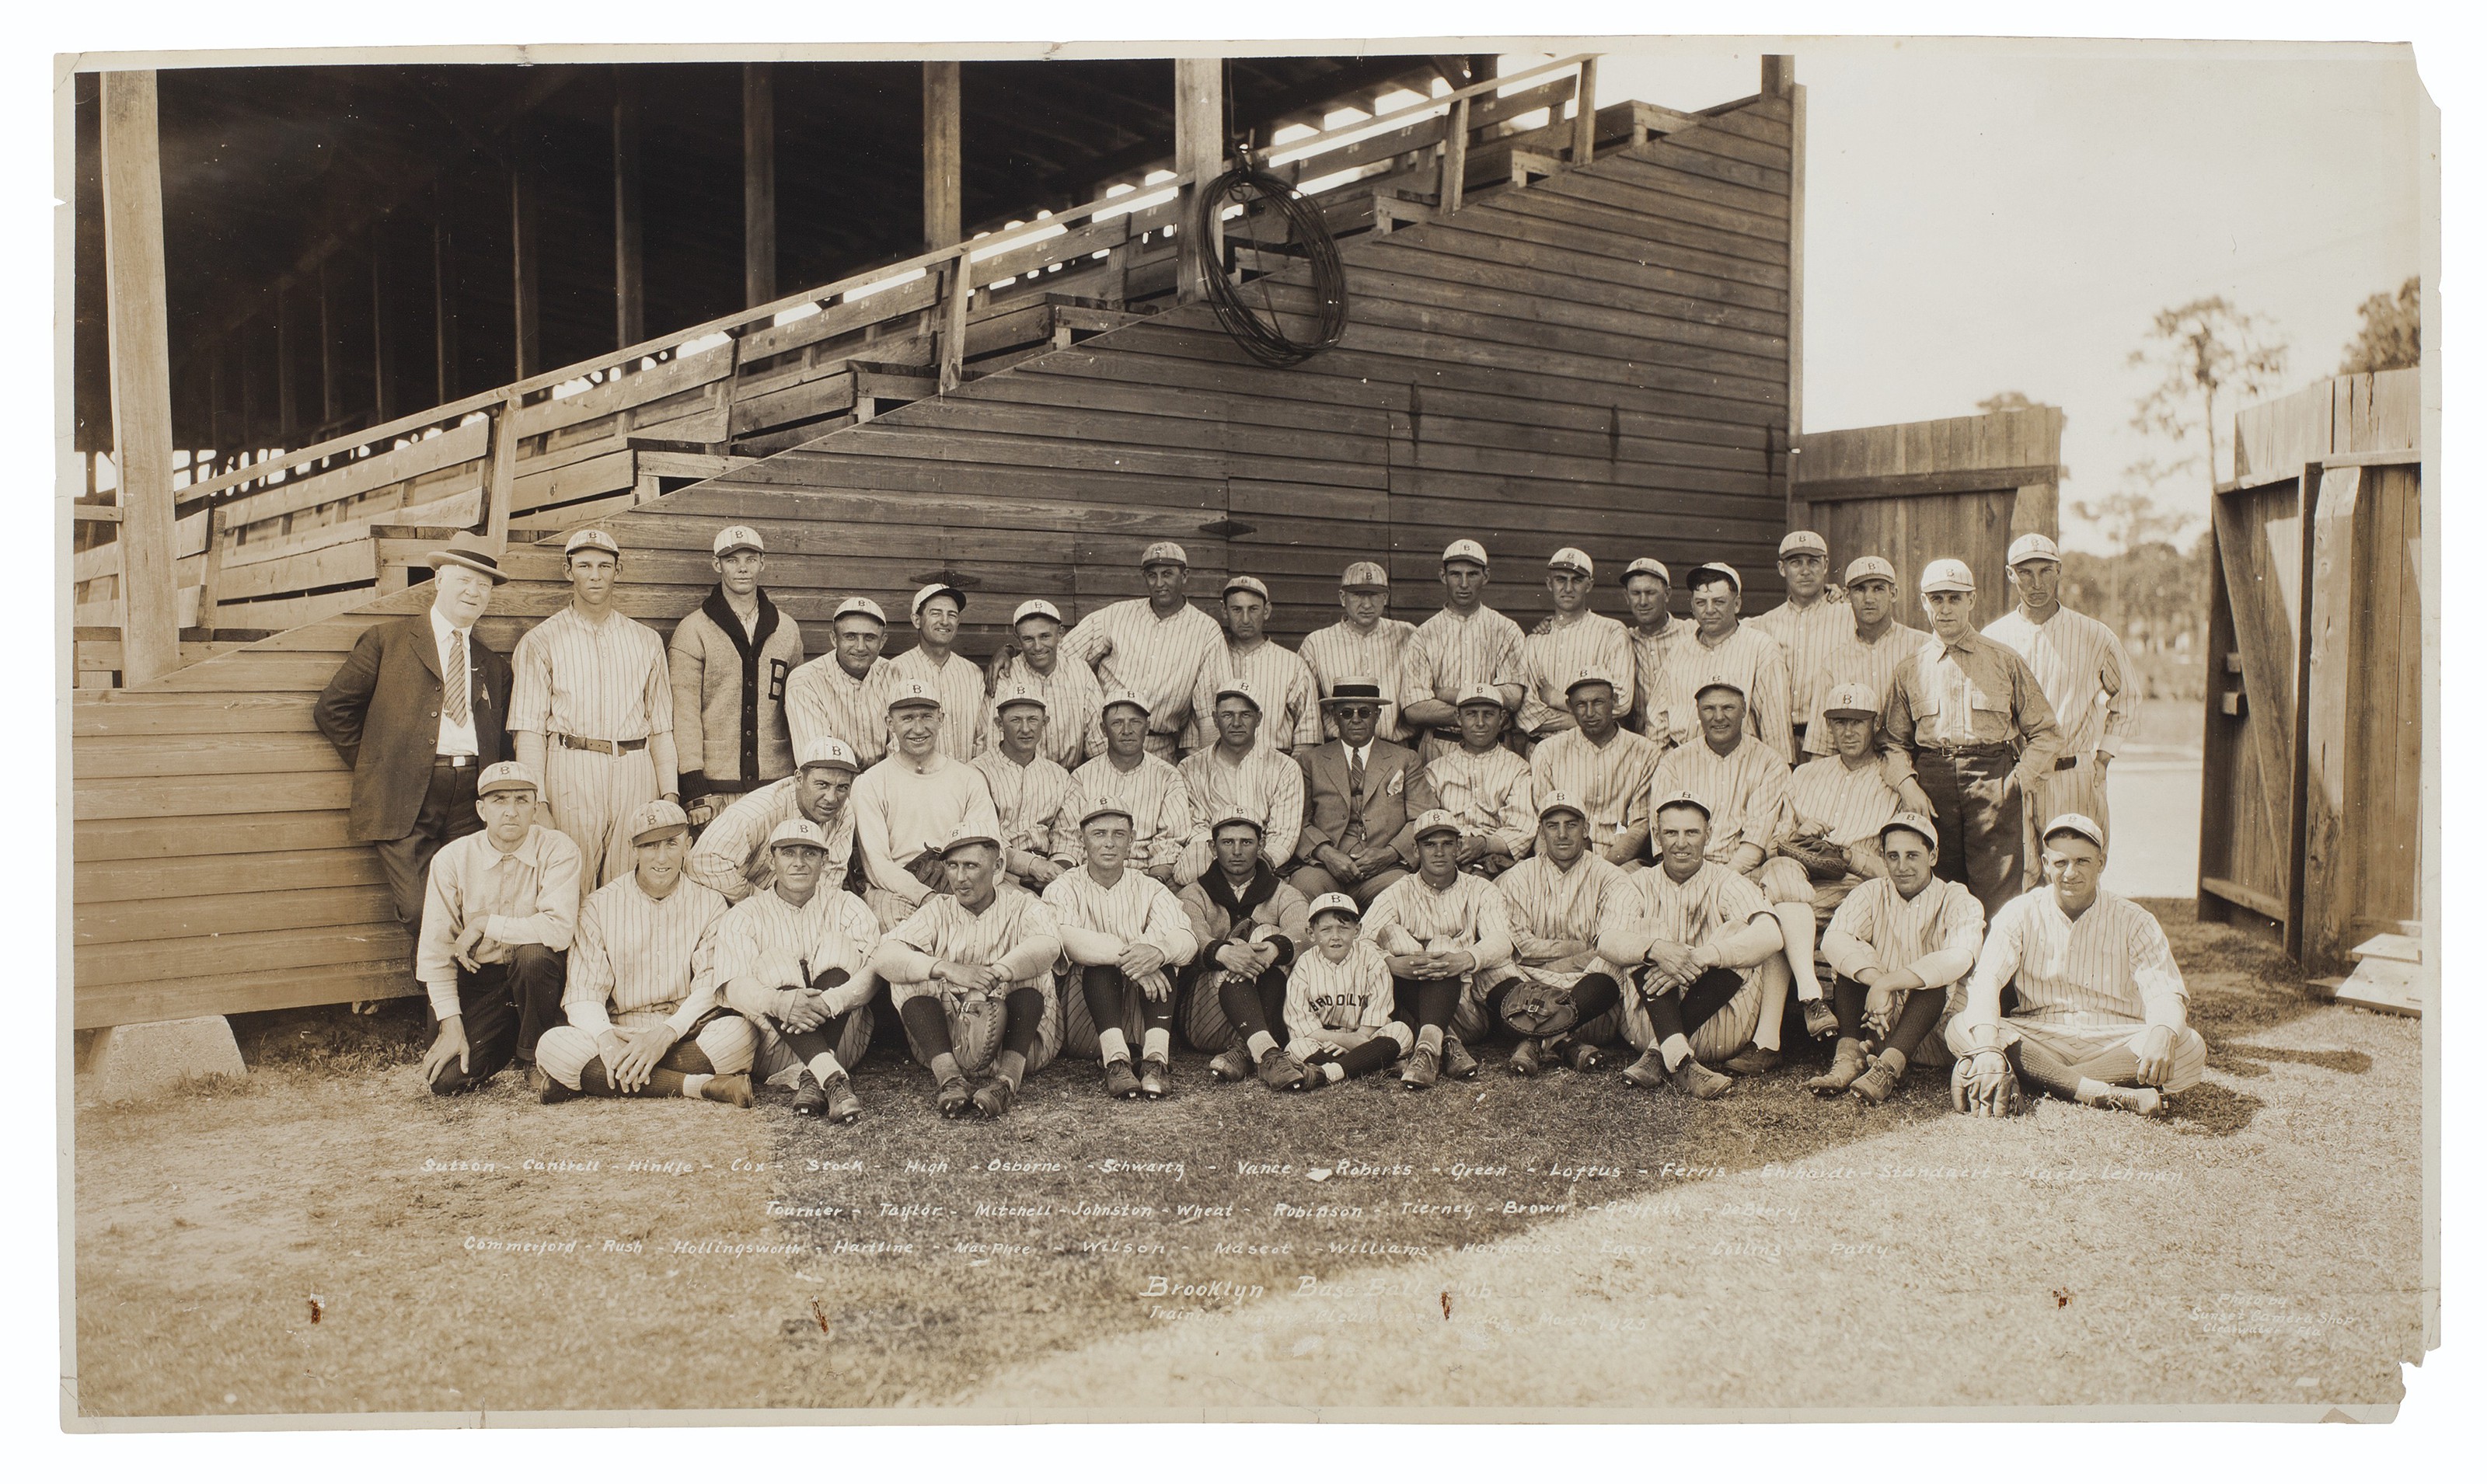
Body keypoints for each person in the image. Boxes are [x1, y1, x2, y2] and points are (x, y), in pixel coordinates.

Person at [1947, 813, 2205, 1118]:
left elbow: (2166, 991)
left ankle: (2039, 1079)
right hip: (2042, 1035)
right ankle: (2100, 1093)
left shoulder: (2135, 919)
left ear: (2102, 863)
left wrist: (2163, 1033)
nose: (2070, 872)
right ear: (2045, 865)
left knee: (2188, 1046)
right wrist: (1990, 1047)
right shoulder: (2021, 911)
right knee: (1961, 1026)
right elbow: (1988, 978)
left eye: (2082, 861)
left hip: (2113, 1038)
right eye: (2060, 863)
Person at [312, 541, 514, 929]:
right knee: (422, 910)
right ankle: (440, 992)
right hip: (405, 797)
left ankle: (454, 994)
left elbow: (501, 739)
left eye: (484, 586)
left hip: (473, 799)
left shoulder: (492, 663)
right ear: (439, 580)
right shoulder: (387, 641)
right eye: (465, 580)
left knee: (473, 909)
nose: (474, 592)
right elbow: (332, 711)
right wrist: (381, 767)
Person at [1650, 677, 1832, 1070]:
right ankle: (1772, 1037)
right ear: (1696, 714)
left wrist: (1720, 882)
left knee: (1784, 883)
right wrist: (1703, 878)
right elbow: (1663, 836)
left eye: (1728, 708)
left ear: (1745, 713)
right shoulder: (1675, 761)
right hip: (1686, 865)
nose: (1719, 717)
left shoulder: (1767, 760)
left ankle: (1803, 1004)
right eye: (1709, 709)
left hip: (1745, 865)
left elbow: (1756, 841)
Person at [1880, 557, 2066, 921]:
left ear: (1972, 600)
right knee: (1937, 892)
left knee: (1998, 895)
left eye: (1955, 598)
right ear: (1923, 602)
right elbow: (1892, 742)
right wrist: (1908, 786)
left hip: (1991, 779)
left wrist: (2017, 782)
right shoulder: (1909, 669)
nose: (1945, 609)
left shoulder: (2004, 661)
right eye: (1937, 599)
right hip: (1931, 785)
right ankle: (1942, 977)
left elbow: (2046, 732)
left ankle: (1996, 978)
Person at [535, 799, 753, 1108]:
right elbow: (584, 993)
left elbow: (709, 988)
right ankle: (701, 1086)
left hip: (682, 1031)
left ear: (688, 845)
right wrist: (606, 1039)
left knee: (739, 1035)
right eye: (650, 846)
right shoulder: (599, 905)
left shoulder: (711, 903)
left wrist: (665, 1035)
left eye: (671, 843)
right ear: (633, 848)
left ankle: (593, 1081)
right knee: (552, 1046)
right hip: (619, 1031)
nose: (661, 857)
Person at [510, 528, 680, 887]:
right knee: (571, 879)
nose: (595, 575)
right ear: (567, 570)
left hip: (635, 768)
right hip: (571, 766)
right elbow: (529, 730)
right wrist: (537, 799)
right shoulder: (540, 640)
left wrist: (669, 794)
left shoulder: (646, 641)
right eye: (584, 565)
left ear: (618, 571)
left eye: (605, 565)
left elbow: (662, 728)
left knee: (628, 883)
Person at [1595, 790, 1790, 1099]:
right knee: (1645, 933)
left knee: (1740, 931)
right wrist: (1658, 950)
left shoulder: (1728, 881)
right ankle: (1679, 1057)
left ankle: (1663, 1053)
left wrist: (1701, 958)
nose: (1681, 843)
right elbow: (1605, 939)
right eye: (1671, 832)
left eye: (1692, 832)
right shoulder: (1636, 883)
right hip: (1647, 1024)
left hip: (1720, 1027)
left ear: (1709, 835)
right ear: (1656, 836)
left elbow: (1771, 935)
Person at [413, 761, 581, 1096]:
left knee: (533, 956)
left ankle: (535, 1056)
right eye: (499, 800)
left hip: (538, 977)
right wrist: (451, 1026)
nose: (511, 812)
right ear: (481, 809)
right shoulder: (452, 859)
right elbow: (436, 951)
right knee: (447, 1080)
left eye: (521, 800)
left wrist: (486, 924)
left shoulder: (559, 849)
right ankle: (512, 1040)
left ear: (536, 807)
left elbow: (559, 929)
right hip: (482, 980)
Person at [873, 834, 1066, 1118]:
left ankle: (1006, 1084)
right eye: (953, 866)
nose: (960, 878)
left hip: (1019, 1047)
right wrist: (947, 968)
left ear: (998, 866)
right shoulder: (937, 909)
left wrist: (997, 973)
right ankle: (950, 1080)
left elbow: (1048, 946)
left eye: (971, 866)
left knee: (1031, 971)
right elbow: (884, 956)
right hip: (948, 1045)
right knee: (909, 971)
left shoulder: (1023, 906)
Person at [1806, 812, 1986, 1104]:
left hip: (1936, 1029)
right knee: (1853, 955)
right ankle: (1848, 1058)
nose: (1902, 867)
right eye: (1893, 856)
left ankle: (1888, 1069)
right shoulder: (1872, 891)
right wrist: (1878, 982)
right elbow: (1834, 940)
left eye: (1912, 855)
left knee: (1934, 973)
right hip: (1879, 1023)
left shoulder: (1958, 898)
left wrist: (1888, 984)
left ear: (1933, 855)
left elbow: (1960, 957)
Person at [714, 817, 885, 1120]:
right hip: (774, 1047)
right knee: (774, 962)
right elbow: (733, 986)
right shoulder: (745, 914)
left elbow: (873, 976)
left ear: (824, 860)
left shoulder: (847, 905)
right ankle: (831, 1079)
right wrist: (779, 1002)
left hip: (845, 1039)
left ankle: (814, 1073)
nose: (799, 862)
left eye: (809, 853)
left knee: (838, 945)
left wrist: (830, 1001)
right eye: (788, 852)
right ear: (771, 859)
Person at [1983, 533, 2133, 866]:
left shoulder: (2093, 634)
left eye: (2045, 571)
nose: (2036, 583)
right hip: (2015, 775)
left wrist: (2104, 757)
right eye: (2025, 572)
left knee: (2073, 876)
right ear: (2010, 574)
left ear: (2059, 570)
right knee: (2018, 876)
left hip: (2071, 773)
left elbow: (2128, 697)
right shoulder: (1993, 638)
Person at [1045, 804, 1200, 1099]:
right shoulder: (1062, 887)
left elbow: (1187, 939)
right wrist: (1135, 960)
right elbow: (1068, 939)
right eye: (1099, 834)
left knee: (1161, 956)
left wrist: (1159, 952)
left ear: (1132, 840)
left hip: (1147, 1017)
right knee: (1101, 963)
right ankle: (1115, 1061)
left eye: (1119, 834)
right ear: (1082, 840)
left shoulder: (1149, 887)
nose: (1109, 843)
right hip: (1088, 1022)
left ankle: (1156, 1062)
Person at [1482, 791, 1633, 1075]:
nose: (1562, 834)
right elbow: (1517, 944)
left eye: (1571, 824)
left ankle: (1532, 1040)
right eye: (1553, 826)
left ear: (1586, 829)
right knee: (1492, 968)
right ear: (1541, 831)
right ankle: (1566, 1044)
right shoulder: (1518, 876)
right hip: (1529, 987)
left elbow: (1610, 944)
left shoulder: (1611, 876)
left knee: (1613, 966)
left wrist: (1553, 959)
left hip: (1586, 997)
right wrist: (1576, 949)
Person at [1364, 810, 1513, 1089]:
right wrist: (1392, 963)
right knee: (1392, 936)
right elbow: (1360, 941)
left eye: (1447, 843)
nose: (1439, 852)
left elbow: (1503, 940)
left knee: (1442, 945)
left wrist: (1465, 959)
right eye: (1430, 844)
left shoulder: (1480, 889)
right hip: (1412, 1009)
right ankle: (1436, 1047)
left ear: (1459, 847)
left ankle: (1439, 1042)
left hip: (1467, 1011)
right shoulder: (1399, 890)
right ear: (1416, 850)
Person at [668, 524, 805, 828]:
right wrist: (694, 785)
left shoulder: (787, 629)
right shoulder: (693, 630)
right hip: (717, 789)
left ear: (762, 563)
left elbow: (798, 707)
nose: (742, 569)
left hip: (776, 784)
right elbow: (684, 713)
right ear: (717, 564)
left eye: (750, 559)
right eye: (732, 560)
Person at [849, 680, 1004, 928]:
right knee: (898, 930)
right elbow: (877, 864)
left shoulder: (968, 778)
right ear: (890, 723)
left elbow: (990, 846)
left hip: (962, 881)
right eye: (907, 718)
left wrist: (966, 888)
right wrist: (924, 895)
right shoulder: (871, 782)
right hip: (897, 888)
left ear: (940, 719)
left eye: (926, 717)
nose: (918, 728)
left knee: (1011, 919)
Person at [1178, 814, 1315, 1087]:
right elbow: (1192, 937)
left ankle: (1254, 1050)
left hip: (1270, 1010)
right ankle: (1261, 1049)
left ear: (1262, 845)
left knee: (1269, 936)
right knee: (1235, 949)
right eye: (1227, 842)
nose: (1237, 851)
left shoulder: (1283, 893)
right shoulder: (1193, 893)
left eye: (1246, 842)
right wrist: (1225, 953)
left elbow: (1305, 931)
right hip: (1208, 1018)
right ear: (1212, 848)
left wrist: (1272, 951)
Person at [1061, 541, 1226, 759]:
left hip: (1160, 747)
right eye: (1152, 575)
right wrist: (1010, 653)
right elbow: (1061, 658)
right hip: (1104, 746)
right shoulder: (1116, 615)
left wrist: (1208, 766)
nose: (1159, 583)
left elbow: (1209, 711)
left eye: (1167, 574)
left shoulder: (1206, 630)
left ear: (1184, 576)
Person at [1289, 678, 1435, 907]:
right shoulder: (1311, 761)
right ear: (1335, 716)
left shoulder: (1405, 759)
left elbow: (1423, 817)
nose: (1356, 719)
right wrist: (1327, 854)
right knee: (1303, 885)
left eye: (1364, 712)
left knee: (1402, 890)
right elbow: (1298, 821)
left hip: (1385, 870)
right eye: (1347, 713)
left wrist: (1390, 853)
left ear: (1377, 716)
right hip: (1327, 869)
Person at [1777, 681, 1904, 927]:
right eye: (1840, 722)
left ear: (1876, 724)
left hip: (1851, 882)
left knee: (1777, 916)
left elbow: (1897, 869)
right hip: (1795, 875)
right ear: (1828, 726)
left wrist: (1847, 857)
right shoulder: (1805, 774)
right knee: (1773, 893)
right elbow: (1773, 846)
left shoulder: (1893, 783)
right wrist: (1797, 836)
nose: (1848, 732)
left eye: (1857, 722)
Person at [684, 737, 860, 903]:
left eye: (842, 787)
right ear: (799, 779)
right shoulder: (759, 810)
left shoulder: (843, 814)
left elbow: (829, 882)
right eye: (822, 784)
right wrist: (758, 900)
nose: (831, 798)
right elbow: (701, 862)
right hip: (733, 904)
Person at [1398, 538, 1526, 762]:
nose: (1464, 583)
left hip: (1497, 749)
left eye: (1473, 574)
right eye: (1456, 574)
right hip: (1440, 746)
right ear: (1443, 576)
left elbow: (1513, 697)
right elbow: (1415, 709)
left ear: (1485, 576)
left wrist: (1445, 694)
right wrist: (1485, 714)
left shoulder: (1506, 629)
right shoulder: (1425, 634)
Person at [1652, 562, 1794, 762]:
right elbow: (1657, 720)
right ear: (1692, 606)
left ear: (1737, 604)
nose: (1709, 610)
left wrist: (1780, 771)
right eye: (1701, 602)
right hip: (1686, 763)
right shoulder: (1678, 651)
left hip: (1743, 765)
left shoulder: (1761, 648)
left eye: (1719, 602)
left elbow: (1775, 725)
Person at [1065, 689, 1202, 884]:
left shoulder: (1168, 776)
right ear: (1104, 730)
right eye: (1117, 723)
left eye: (1135, 722)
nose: (1127, 730)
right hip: (1092, 875)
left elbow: (1170, 841)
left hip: (1148, 874)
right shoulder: (1081, 777)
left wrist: (1154, 880)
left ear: (1147, 727)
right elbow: (1072, 838)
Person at [1526, 673, 1662, 868]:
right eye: (1581, 704)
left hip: (1621, 861)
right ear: (1569, 706)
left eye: (1598, 702)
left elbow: (1638, 826)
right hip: (1563, 860)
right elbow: (1544, 822)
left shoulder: (1645, 752)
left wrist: (1600, 871)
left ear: (1614, 701)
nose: (1590, 713)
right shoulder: (1548, 751)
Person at [1176, 681, 1305, 884]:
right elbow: (1193, 826)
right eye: (1227, 715)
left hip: (1265, 863)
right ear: (1215, 720)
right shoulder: (1190, 767)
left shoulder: (1284, 767)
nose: (1236, 723)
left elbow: (1284, 833)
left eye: (1245, 714)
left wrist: (1258, 862)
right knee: (1194, 865)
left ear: (1259, 719)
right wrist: (1225, 856)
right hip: (1210, 857)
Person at [1799, 556, 1931, 752]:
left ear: (1893, 593)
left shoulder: (1923, 647)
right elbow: (1821, 745)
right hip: (1856, 771)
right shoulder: (1834, 662)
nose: (1869, 599)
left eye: (1878, 588)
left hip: (1913, 765)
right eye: (1860, 589)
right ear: (1846, 595)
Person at [1280, 893, 1411, 1089]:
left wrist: (1355, 1042)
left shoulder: (1372, 960)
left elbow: (1378, 1015)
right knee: (1295, 1049)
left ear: (1357, 930)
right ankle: (1375, 1064)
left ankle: (1331, 1072)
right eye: (1325, 930)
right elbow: (1304, 1027)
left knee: (1401, 1031)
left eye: (1343, 928)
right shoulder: (1304, 966)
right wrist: (1350, 1042)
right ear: (1311, 934)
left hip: (1367, 1037)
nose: (1335, 937)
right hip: (1325, 1041)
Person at [1504, 547, 1634, 744]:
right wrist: (1586, 719)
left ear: (1589, 585)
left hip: (1594, 748)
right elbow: (1526, 716)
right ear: (1549, 584)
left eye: (1577, 580)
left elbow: (1621, 702)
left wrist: (1555, 699)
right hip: (1543, 749)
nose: (1568, 588)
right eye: (1561, 579)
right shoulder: (1534, 641)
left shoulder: (1612, 632)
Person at [1747, 531, 1849, 755]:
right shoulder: (1764, 624)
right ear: (1782, 568)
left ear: (1825, 565)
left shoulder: (1848, 617)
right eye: (1796, 563)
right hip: (1777, 742)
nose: (1805, 571)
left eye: (1813, 562)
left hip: (1829, 744)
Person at [971, 688, 1079, 890]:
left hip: (1050, 872)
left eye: (1033, 720)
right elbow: (983, 837)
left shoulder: (1058, 775)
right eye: (1015, 720)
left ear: (1044, 723)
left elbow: (1069, 833)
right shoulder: (977, 771)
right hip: (998, 871)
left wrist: (1058, 868)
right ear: (999, 724)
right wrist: (1031, 865)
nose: (1026, 729)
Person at [1299, 560, 1417, 744]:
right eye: (1357, 595)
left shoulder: (1407, 635)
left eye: (1374, 595)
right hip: (1338, 747)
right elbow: (1307, 706)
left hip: (1395, 748)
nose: (1367, 604)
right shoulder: (1317, 643)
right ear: (1342, 597)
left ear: (1386, 597)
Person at [1423, 686, 1536, 878]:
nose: (1480, 723)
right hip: (1446, 860)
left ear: (1502, 719)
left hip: (1497, 863)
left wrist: (1484, 844)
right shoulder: (1436, 770)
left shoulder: (1518, 768)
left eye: (1489, 714)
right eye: (1471, 714)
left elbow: (1522, 828)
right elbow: (1427, 824)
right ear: (1458, 718)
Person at [983, 599, 1101, 769]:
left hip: (1070, 777)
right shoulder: (1006, 675)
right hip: (1018, 777)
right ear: (1018, 639)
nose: (1038, 647)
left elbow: (1098, 743)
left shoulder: (1079, 671)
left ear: (1060, 634)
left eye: (1045, 636)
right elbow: (994, 743)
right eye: (1028, 639)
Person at [784, 597, 898, 769]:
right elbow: (818, 759)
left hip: (884, 784)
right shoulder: (805, 680)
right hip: (833, 786)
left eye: (870, 637)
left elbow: (901, 748)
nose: (860, 647)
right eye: (850, 636)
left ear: (882, 641)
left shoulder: (895, 674)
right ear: (834, 639)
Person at [1216, 576, 1320, 754]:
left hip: (1277, 765)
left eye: (1253, 609)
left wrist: (1286, 775)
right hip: (1223, 766)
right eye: (1237, 609)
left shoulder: (1291, 664)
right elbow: (1197, 727)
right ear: (1224, 611)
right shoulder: (1214, 658)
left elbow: (1308, 735)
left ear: (1267, 611)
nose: (1246, 619)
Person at [888, 582, 985, 761]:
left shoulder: (973, 673)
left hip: (965, 781)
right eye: (936, 613)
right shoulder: (895, 670)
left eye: (952, 615)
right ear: (916, 620)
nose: (944, 621)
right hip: (915, 781)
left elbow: (983, 738)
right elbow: (891, 738)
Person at [1620, 556, 1694, 742]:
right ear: (1626, 597)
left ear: (1667, 594)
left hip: (1686, 743)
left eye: (1650, 592)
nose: (1643, 601)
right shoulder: (1623, 639)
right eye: (1636, 593)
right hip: (1641, 745)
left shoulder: (1692, 632)